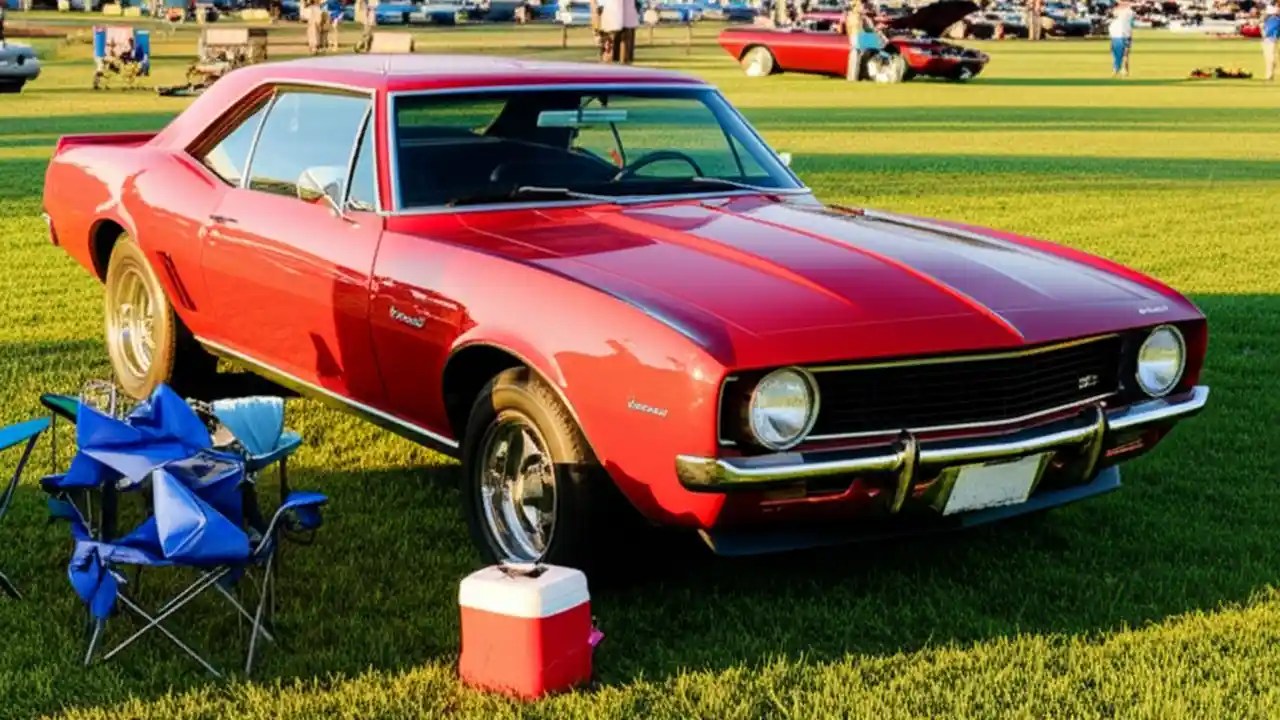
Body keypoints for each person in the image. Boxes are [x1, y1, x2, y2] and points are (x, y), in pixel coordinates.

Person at [1108, 1, 1135, 77]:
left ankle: (1116, 70)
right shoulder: (1129, 13)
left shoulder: (1118, 13)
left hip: (1119, 36)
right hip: (1127, 36)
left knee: (1116, 54)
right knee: (1125, 55)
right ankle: (1125, 71)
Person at [1264, 3, 1279, 82]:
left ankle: (1270, 75)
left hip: (1272, 40)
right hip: (1270, 40)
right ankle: (1270, 75)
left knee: (1271, 58)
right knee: (1271, 58)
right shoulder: (1271, 19)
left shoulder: (1274, 20)